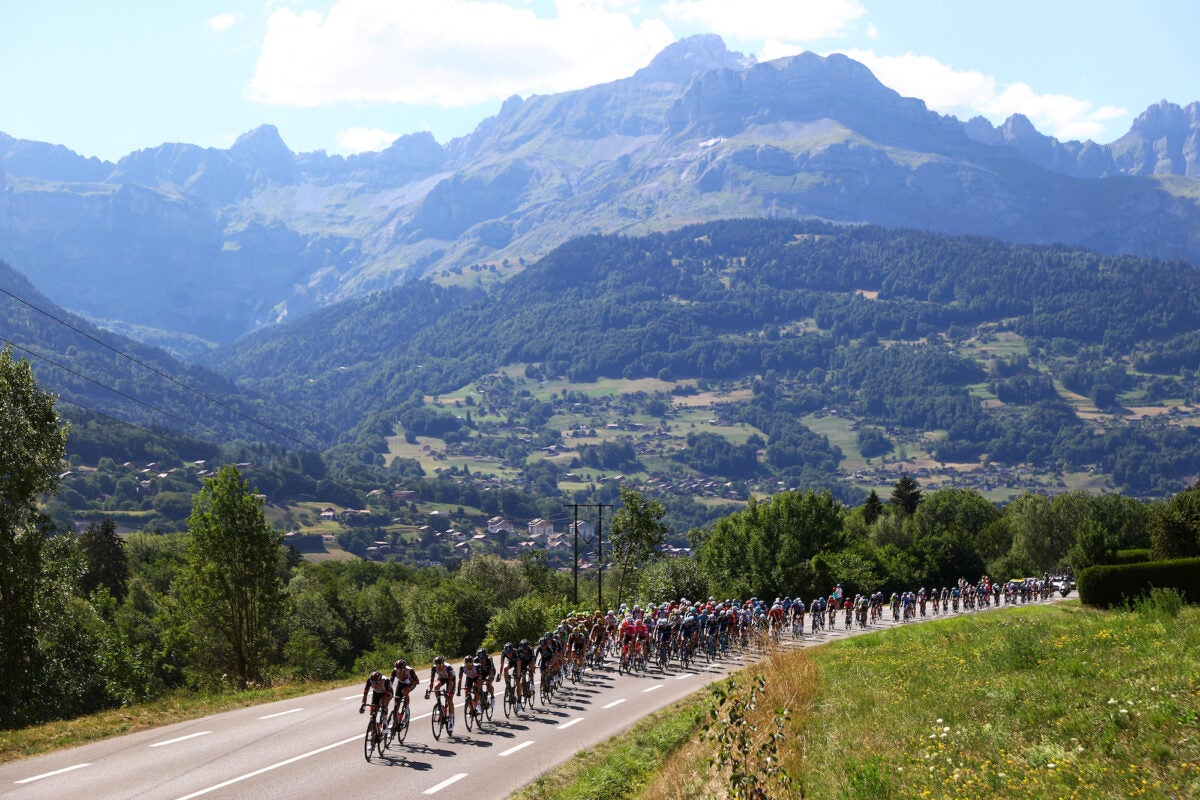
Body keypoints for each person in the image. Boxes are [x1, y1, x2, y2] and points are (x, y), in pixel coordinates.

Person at [425, 655, 456, 735]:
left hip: (451, 680)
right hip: (442, 678)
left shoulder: (448, 668)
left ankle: (451, 720)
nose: (439, 667)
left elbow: (451, 683)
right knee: (436, 686)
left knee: (449, 699)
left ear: (443, 664)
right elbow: (431, 682)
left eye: (441, 665)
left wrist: (448, 693)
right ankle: (439, 703)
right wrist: (428, 691)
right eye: (437, 665)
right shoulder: (434, 668)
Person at [359, 670, 393, 734]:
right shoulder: (369, 681)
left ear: (380, 680)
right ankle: (373, 731)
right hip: (377, 693)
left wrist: (384, 708)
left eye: (376, 683)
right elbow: (365, 694)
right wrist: (363, 705)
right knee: (372, 711)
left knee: (382, 703)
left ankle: (385, 723)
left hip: (386, 693)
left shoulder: (386, 681)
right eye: (373, 683)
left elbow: (388, 696)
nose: (375, 684)